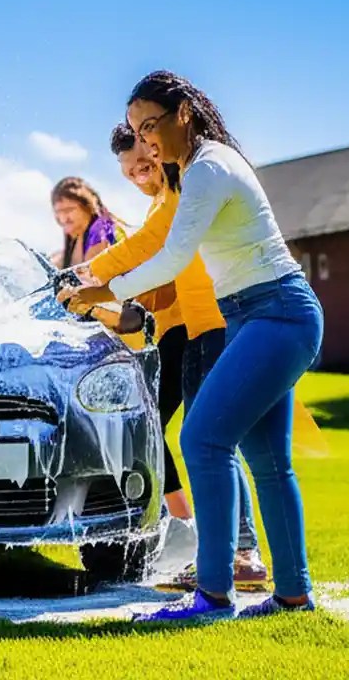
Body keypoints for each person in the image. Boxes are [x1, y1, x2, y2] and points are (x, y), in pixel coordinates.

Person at [59, 71, 322, 621]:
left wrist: (99, 288)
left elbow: (173, 257)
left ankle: (213, 594)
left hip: (277, 312)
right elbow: (159, 245)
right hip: (255, 315)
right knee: (268, 462)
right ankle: (293, 596)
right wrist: (95, 278)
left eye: (150, 126)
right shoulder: (191, 172)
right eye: (137, 130)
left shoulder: (207, 166)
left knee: (203, 440)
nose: (147, 142)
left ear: (183, 113)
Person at [96, 123, 266, 589]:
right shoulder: (162, 200)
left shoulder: (180, 193)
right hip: (182, 333)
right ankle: (214, 544)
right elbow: (163, 285)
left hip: (208, 327)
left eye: (144, 161)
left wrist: (90, 274)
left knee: (208, 439)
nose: (139, 172)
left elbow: (146, 246)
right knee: (173, 431)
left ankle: (237, 550)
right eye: (130, 170)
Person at [49, 176, 120, 278]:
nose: (64, 218)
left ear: (87, 207)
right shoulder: (76, 232)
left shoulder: (101, 230)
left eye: (69, 210)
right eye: (58, 212)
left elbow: (93, 279)